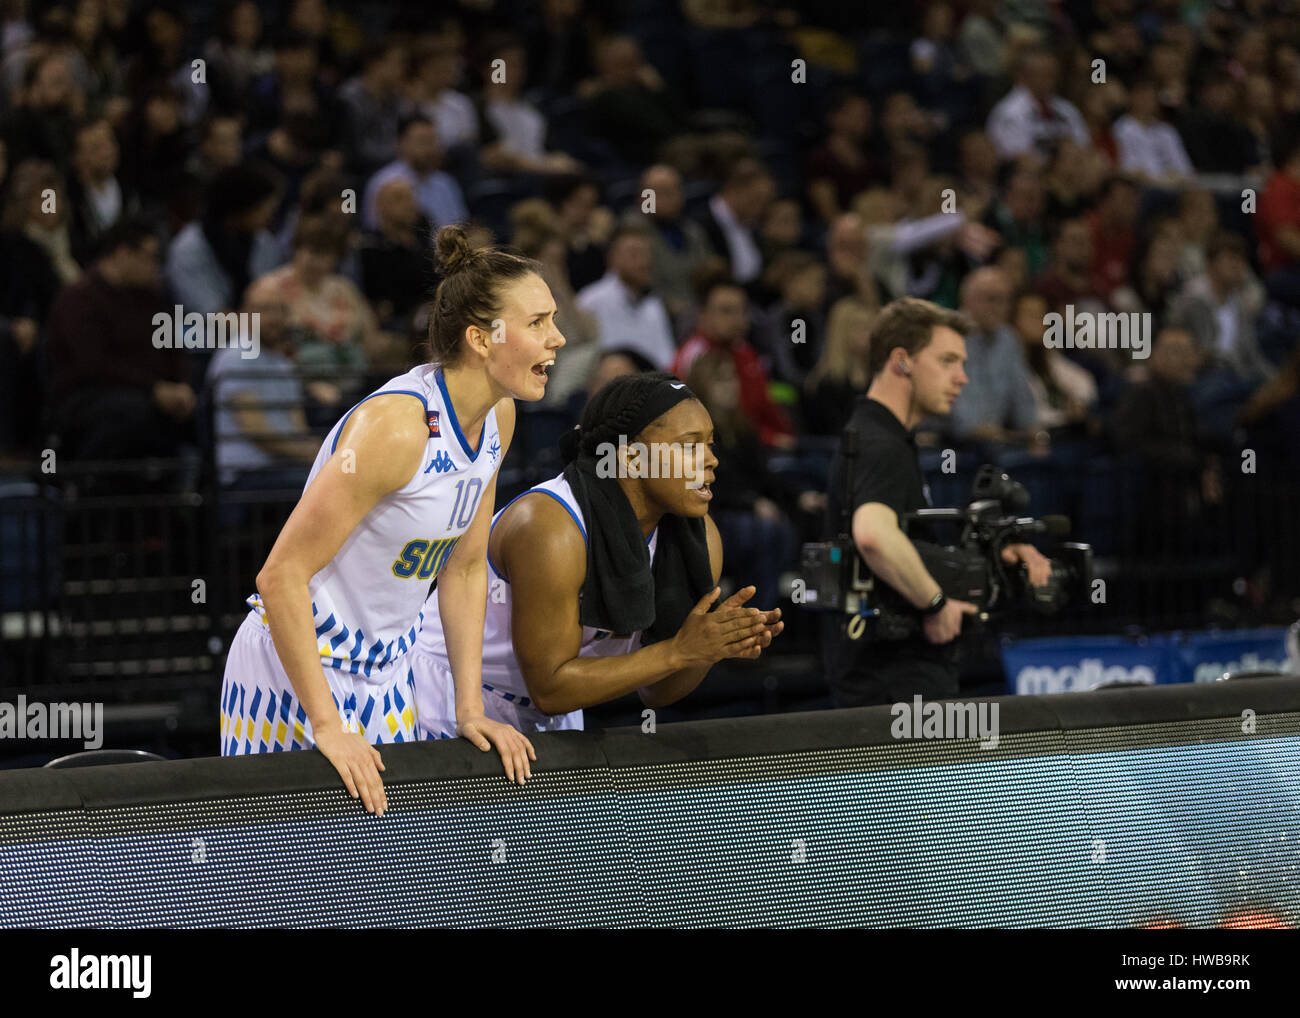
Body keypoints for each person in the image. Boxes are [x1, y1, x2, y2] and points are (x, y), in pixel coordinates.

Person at [219, 225, 557, 813]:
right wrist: (325, 725)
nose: (556, 338)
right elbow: (278, 578)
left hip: (387, 672)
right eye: (537, 322)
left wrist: (469, 708)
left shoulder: (499, 417)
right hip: (301, 667)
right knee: (269, 881)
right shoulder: (396, 428)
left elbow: (467, 567)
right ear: (481, 338)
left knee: (377, 885)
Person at [409, 371, 783, 736]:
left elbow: (656, 692)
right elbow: (550, 688)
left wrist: (707, 649)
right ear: (632, 459)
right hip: (452, 697)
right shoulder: (550, 528)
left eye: (710, 443)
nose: (711, 460)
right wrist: (677, 652)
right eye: (689, 445)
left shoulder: (699, 538)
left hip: (559, 708)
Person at [823, 297, 1051, 708]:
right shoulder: (880, 443)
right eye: (948, 361)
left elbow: (908, 545)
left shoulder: (882, 436)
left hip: (886, 677)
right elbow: (873, 535)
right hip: (893, 682)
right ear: (902, 361)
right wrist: (935, 603)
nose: (962, 378)